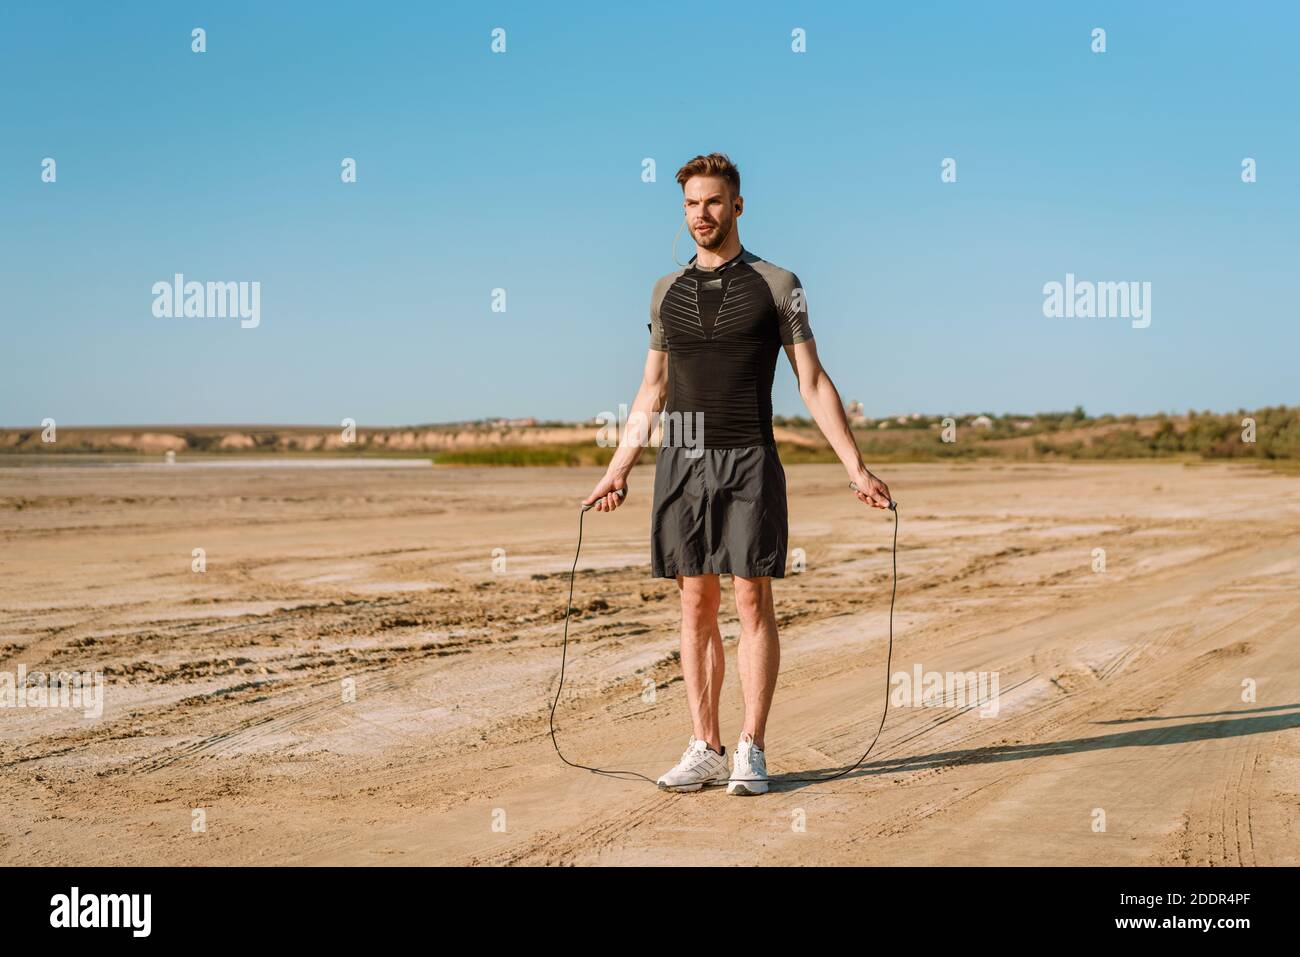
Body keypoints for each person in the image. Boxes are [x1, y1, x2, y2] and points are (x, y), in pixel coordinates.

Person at [582, 152, 891, 795]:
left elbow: (811, 379)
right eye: (692, 203)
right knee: (695, 601)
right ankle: (705, 746)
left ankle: (751, 746)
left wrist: (855, 467)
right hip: (682, 460)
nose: (703, 214)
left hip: (749, 454)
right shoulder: (665, 291)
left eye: (714, 202)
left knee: (751, 596)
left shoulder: (780, 284)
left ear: (738, 206)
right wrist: (619, 470)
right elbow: (651, 388)